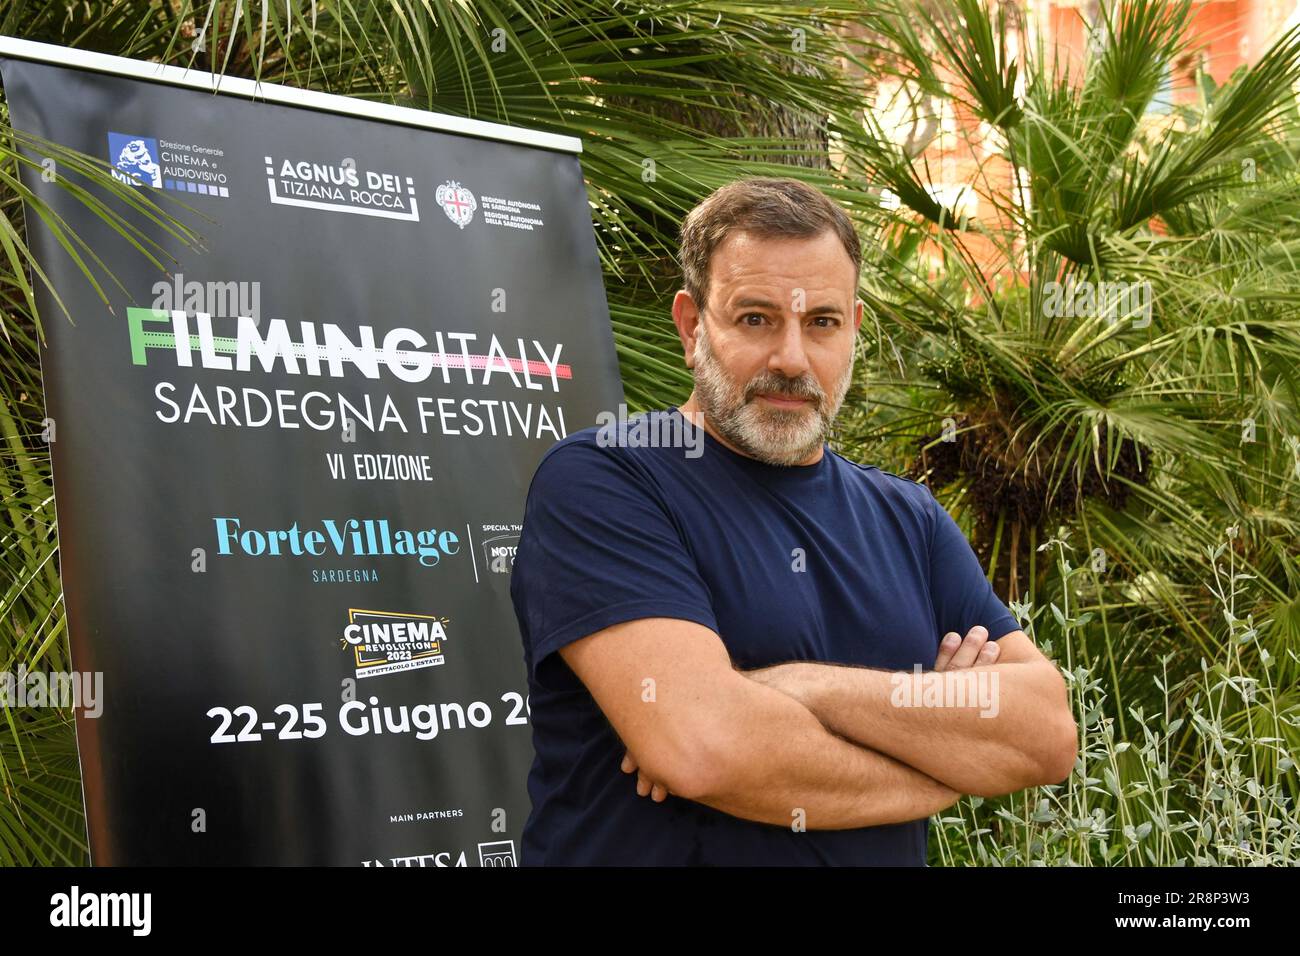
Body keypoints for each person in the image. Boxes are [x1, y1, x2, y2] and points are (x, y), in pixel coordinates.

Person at [509, 176, 1077, 865]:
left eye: (821, 323)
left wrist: (800, 686)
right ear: (692, 326)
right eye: (755, 318)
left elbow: (1045, 734)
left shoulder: (909, 519)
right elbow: (703, 747)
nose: (791, 359)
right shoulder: (608, 480)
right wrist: (948, 756)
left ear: (854, 330)